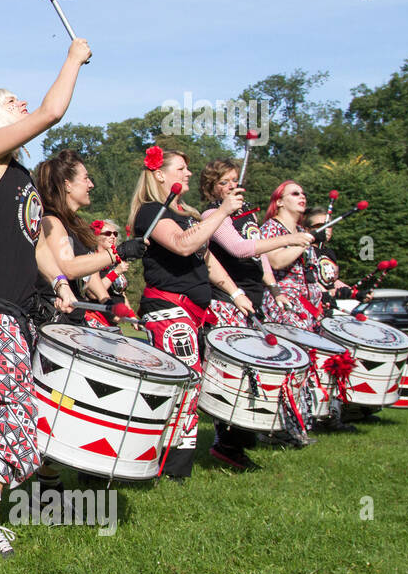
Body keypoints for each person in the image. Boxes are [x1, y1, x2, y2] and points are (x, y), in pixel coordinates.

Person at [0, 41, 87, 558]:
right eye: (11, 101)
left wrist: (59, 282)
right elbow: (54, 110)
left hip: (20, 311)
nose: (23, 103)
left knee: (15, 408)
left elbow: (33, 244)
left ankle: (0, 503)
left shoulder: (20, 177)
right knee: (7, 406)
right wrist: (73, 57)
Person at [127, 147, 251, 479]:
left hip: (191, 310)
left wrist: (235, 292)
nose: (188, 173)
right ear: (160, 174)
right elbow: (183, 244)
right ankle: (164, 465)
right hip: (168, 310)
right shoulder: (150, 213)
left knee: (189, 386)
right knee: (180, 384)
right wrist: (222, 212)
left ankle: (174, 466)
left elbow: (204, 259)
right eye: (181, 168)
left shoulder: (185, 212)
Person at [31, 149, 143, 326]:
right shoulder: (51, 221)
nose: (91, 184)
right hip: (54, 321)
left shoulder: (76, 224)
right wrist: (118, 252)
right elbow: (69, 268)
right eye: (85, 178)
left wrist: (106, 302)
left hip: (74, 320)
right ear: (67, 185)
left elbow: (88, 275)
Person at [259, 182, 318, 329]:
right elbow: (275, 262)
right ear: (279, 202)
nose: (302, 196)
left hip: (308, 307)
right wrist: (302, 243)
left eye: (303, 194)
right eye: (295, 193)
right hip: (282, 303)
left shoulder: (300, 230)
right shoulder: (270, 227)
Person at [304, 206, 351, 311]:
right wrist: (325, 292)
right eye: (320, 226)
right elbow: (307, 277)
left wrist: (352, 292)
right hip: (311, 308)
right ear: (307, 229)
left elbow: (331, 281)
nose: (326, 229)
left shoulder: (329, 253)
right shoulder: (305, 250)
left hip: (328, 308)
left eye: (329, 225)